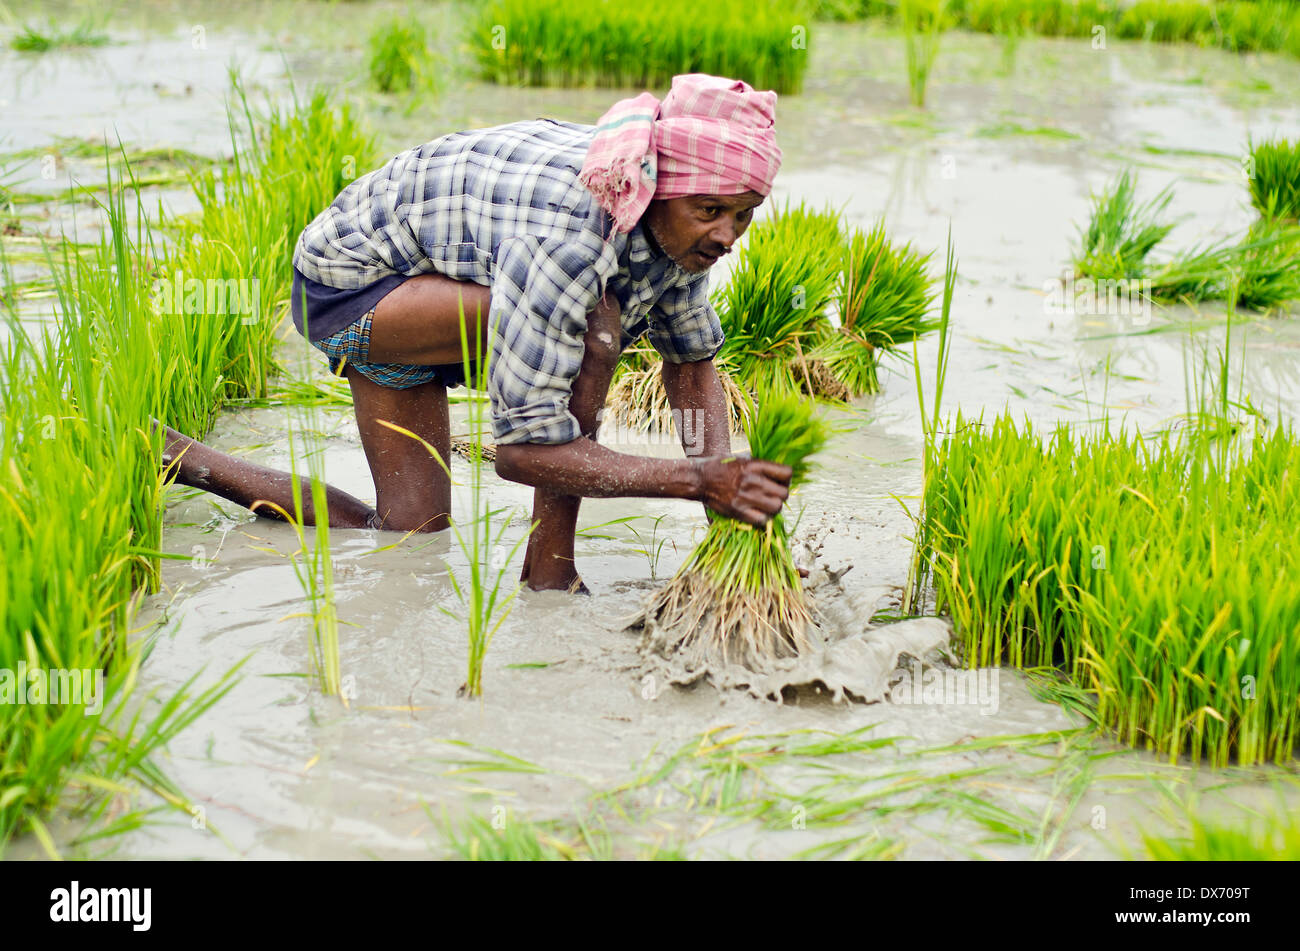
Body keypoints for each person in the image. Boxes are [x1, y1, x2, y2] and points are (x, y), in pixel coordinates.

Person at [159, 73, 793, 593]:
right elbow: (522, 452)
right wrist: (696, 483)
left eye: (744, 214)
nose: (727, 235)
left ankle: (174, 455)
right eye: (709, 211)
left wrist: (724, 487)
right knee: (593, 326)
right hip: (351, 287)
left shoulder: (680, 236)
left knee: (409, 532)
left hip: (436, 279)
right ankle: (551, 572)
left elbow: (690, 365)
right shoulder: (576, 237)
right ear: (660, 191)